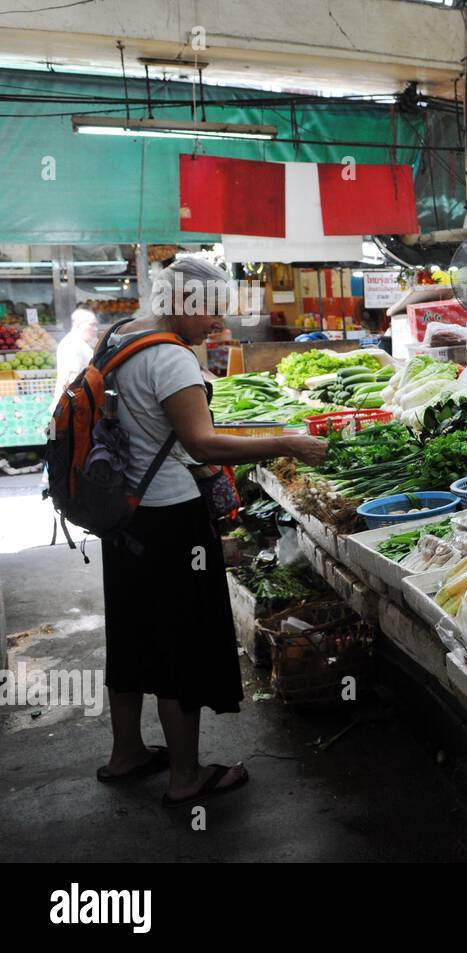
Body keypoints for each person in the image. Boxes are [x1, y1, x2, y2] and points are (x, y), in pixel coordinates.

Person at [96, 257, 327, 808]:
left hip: (121, 515)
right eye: (210, 314)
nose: (215, 327)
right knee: (179, 644)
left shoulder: (117, 337)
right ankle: (185, 777)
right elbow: (202, 443)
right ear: (180, 301)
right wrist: (287, 442)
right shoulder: (170, 357)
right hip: (168, 519)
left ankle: (125, 753)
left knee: (131, 636)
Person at [53, 307, 99, 400]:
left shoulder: (81, 343)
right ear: (79, 325)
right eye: (92, 325)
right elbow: (71, 379)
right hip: (74, 404)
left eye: (96, 325)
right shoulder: (72, 344)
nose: (96, 329)